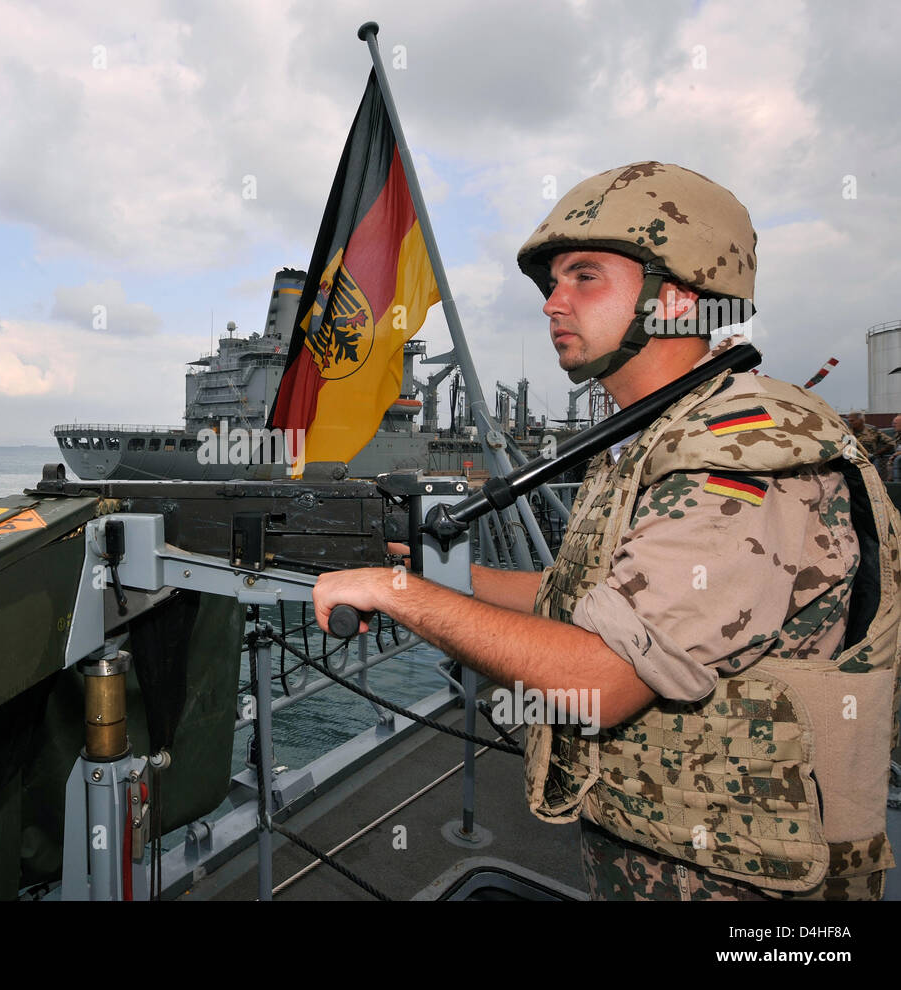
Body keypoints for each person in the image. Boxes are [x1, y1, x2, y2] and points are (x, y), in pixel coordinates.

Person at [313, 161, 900, 901]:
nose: (553, 302)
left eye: (585, 277)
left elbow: (598, 681)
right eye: (553, 282)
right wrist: (434, 580)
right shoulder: (653, 442)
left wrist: (398, 596)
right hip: (659, 858)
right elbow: (581, 596)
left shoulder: (743, 459)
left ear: (677, 299)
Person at [845, 410, 895, 476]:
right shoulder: (846, 432)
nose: (850, 423)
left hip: (870, 460)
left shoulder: (872, 431)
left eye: (852, 421)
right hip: (853, 462)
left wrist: (876, 453)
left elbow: (891, 442)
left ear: (861, 420)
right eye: (849, 421)